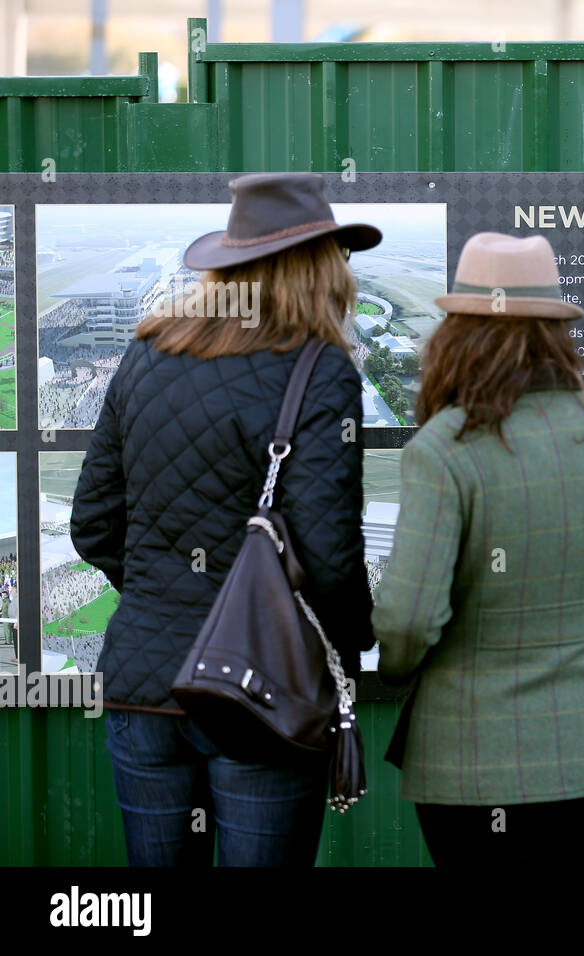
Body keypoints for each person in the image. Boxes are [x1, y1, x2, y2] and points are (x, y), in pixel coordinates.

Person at [70, 172, 379, 867]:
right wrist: (354, 644)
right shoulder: (319, 371)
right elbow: (327, 554)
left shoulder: (149, 350)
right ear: (313, 268)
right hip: (258, 695)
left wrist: (166, 598)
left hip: (143, 689)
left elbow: (92, 522)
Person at [372, 232, 584, 867]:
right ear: (557, 331)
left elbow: (406, 621)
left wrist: (396, 671)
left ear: (457, 332)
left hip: (465, 760)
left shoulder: (444, 448)